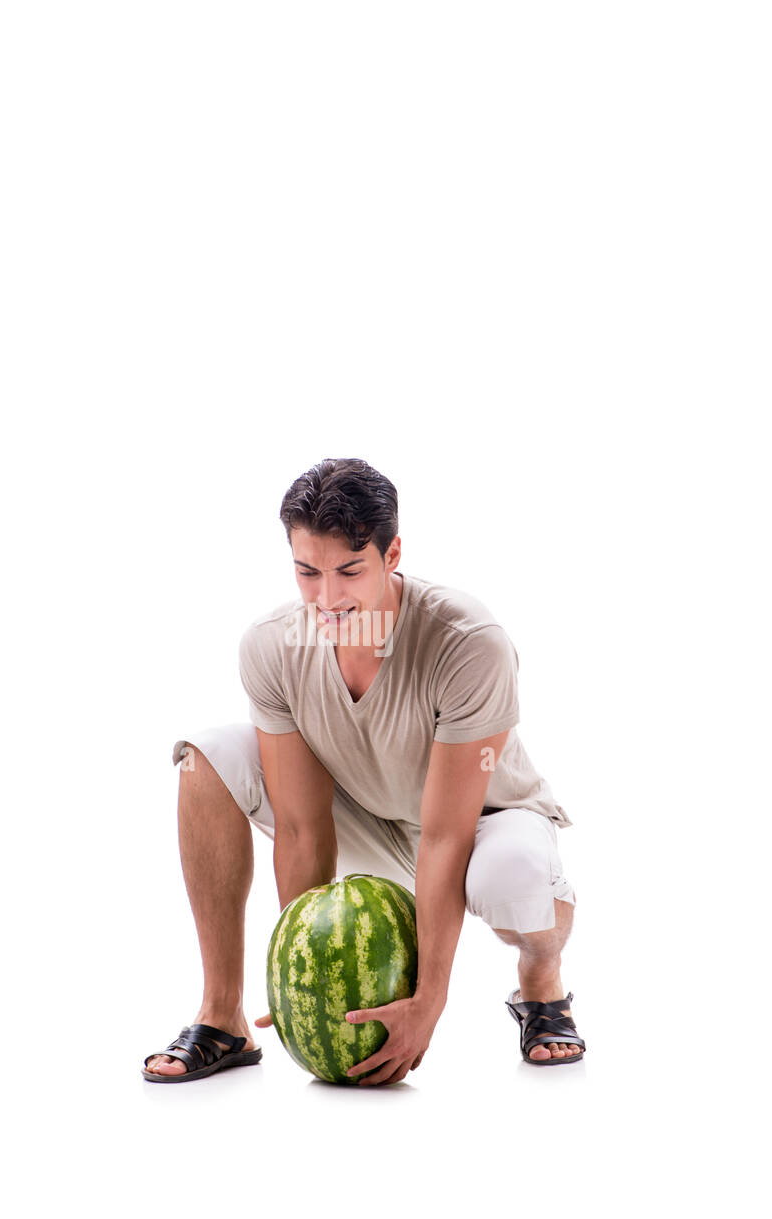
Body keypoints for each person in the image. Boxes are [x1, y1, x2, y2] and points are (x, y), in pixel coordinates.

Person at [143, 458, 585, 1086]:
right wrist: (308, 983)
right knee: (207, 754)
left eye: (349, 571)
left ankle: (541, 982)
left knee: (516, 874)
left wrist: (430, 1002)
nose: (327, 598)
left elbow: (445, 836)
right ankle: (224, 1016)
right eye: (307, 572)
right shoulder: (273, 646)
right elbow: (299, 827)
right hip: (365, 818)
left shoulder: (467, 642)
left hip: (479, 826)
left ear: (391, 553)